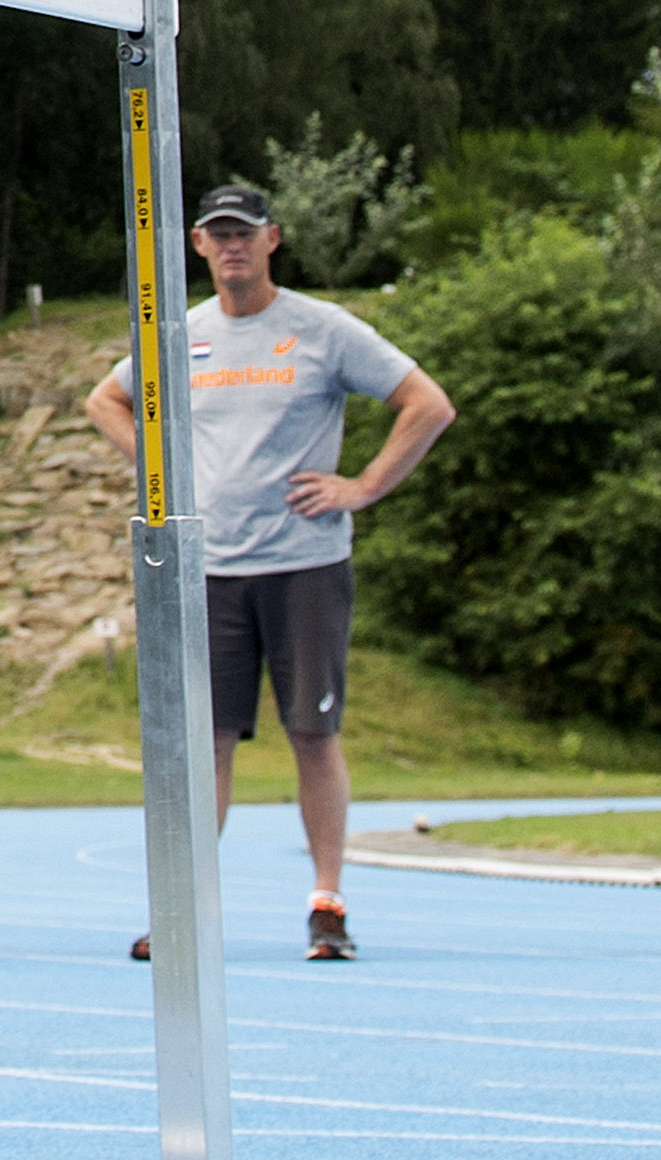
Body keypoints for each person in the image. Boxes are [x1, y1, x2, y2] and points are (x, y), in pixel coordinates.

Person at [86, 182, 459, 964]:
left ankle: (327, 903)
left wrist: (362, 486)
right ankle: (185, 908)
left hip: (304, 565)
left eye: (245, 234)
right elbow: (106, 401)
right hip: (213, 568)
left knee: (311, 732)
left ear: (272, 240)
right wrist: (162, 475)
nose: (232, 247)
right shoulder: (181, 336)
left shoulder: (321, 330)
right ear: (197, 245)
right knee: (207, 741)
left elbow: (426, 403)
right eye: (219, 235)